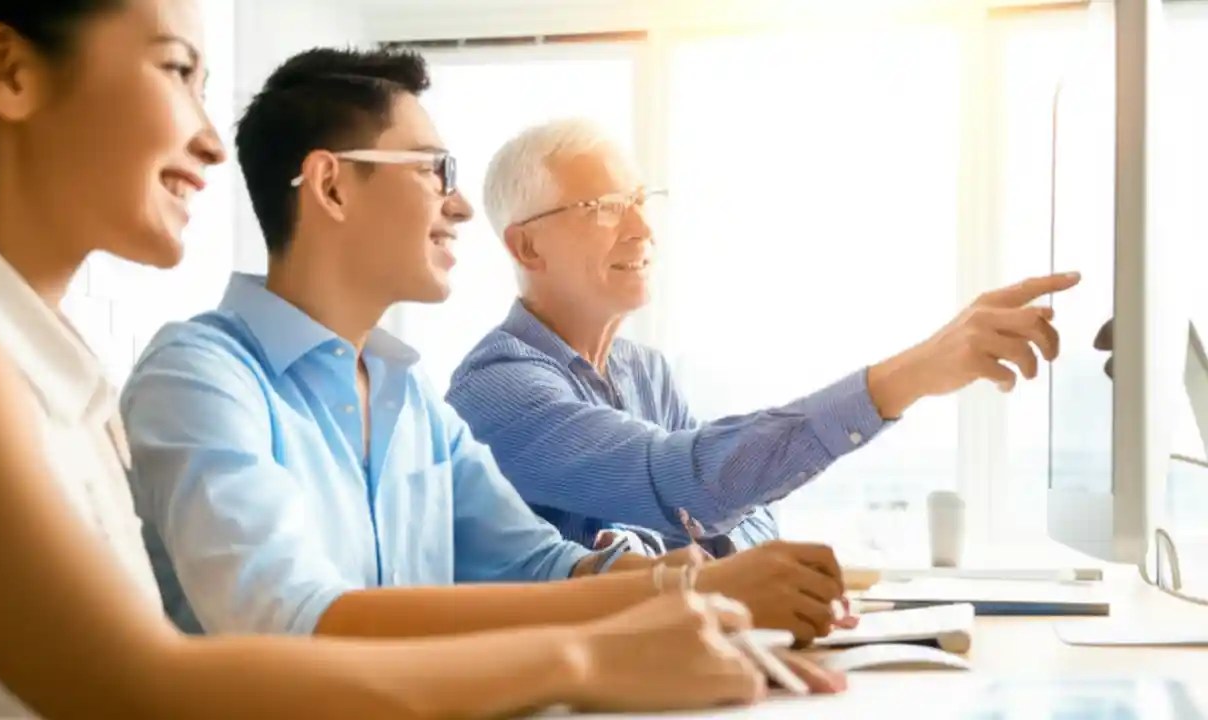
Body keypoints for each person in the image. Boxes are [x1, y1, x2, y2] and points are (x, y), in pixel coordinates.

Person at [0, 3, 832, 717]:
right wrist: (598, 649)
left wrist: (683, 593)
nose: (209, 139)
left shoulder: (60, 372)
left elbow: (539, 567)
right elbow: (173, 670)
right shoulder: (9, 347)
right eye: (174, 70)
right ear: (6, 71)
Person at [120, 46, 856, 649]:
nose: (462, 205)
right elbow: (291, 620)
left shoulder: (410, 400)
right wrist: (677, 593)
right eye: (434, 170)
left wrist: (694, 580)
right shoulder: (200, 378)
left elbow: (542, 565)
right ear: (332, 186)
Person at [447, 118, 1082, 557]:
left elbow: (749, 518)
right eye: (605, 207)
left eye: (641, 200)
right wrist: (910, 374)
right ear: (527, 247)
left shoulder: (643, 370)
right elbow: (685, 481)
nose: (642, 228)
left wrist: (685, 542)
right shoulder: (498, 389)